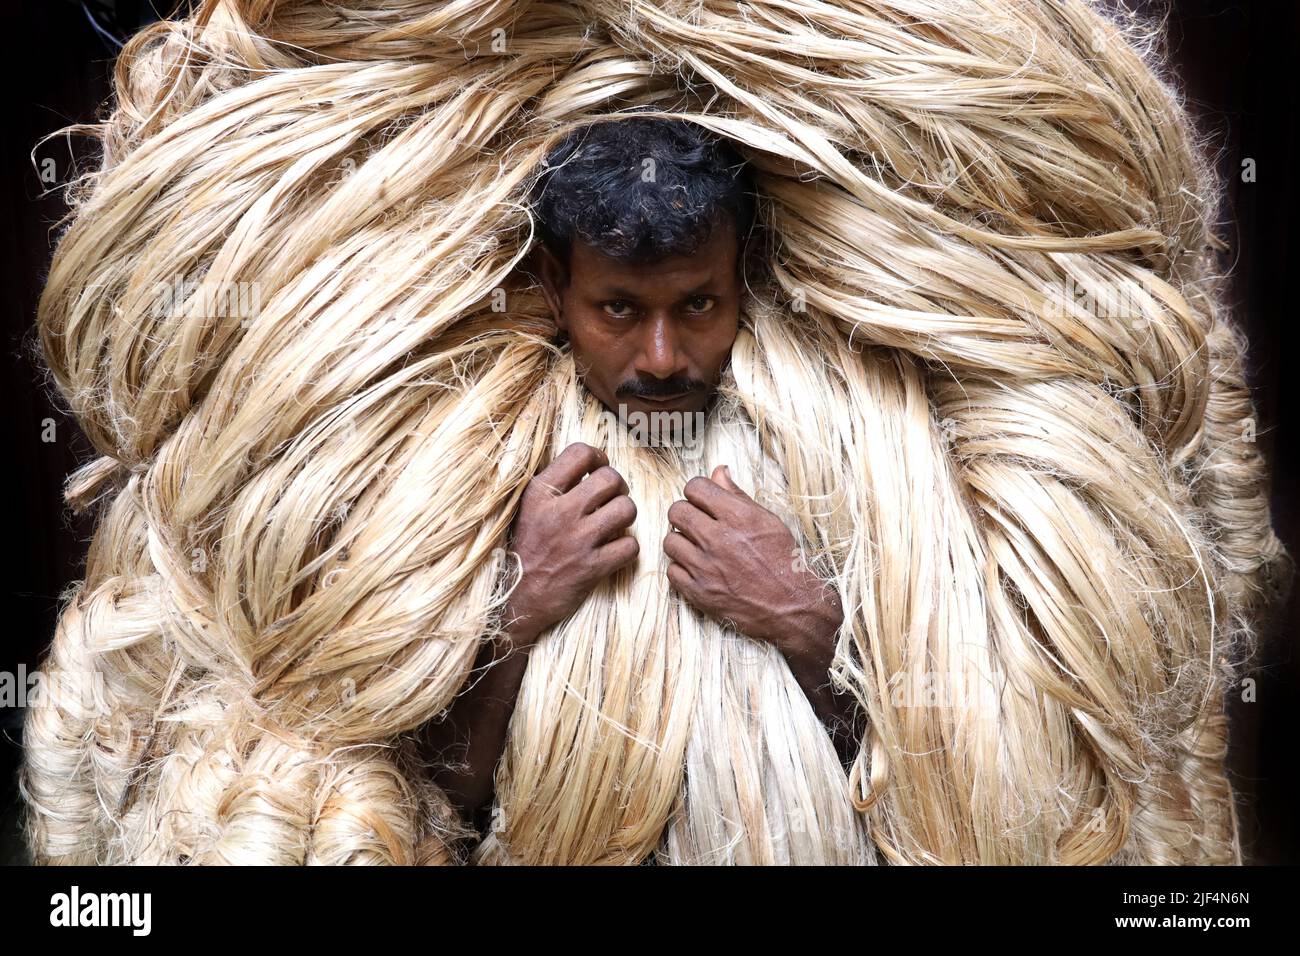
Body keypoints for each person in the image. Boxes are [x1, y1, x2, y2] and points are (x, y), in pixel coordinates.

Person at [420, 119, 864, 837]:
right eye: (619, 309)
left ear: (743, 277)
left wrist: (802, 616)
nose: (661, 358)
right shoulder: (475, 463)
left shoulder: (839, 453)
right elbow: (433, 808)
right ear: (556, 288)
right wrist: (516, 607)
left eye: (697, 305)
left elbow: (937, 789)